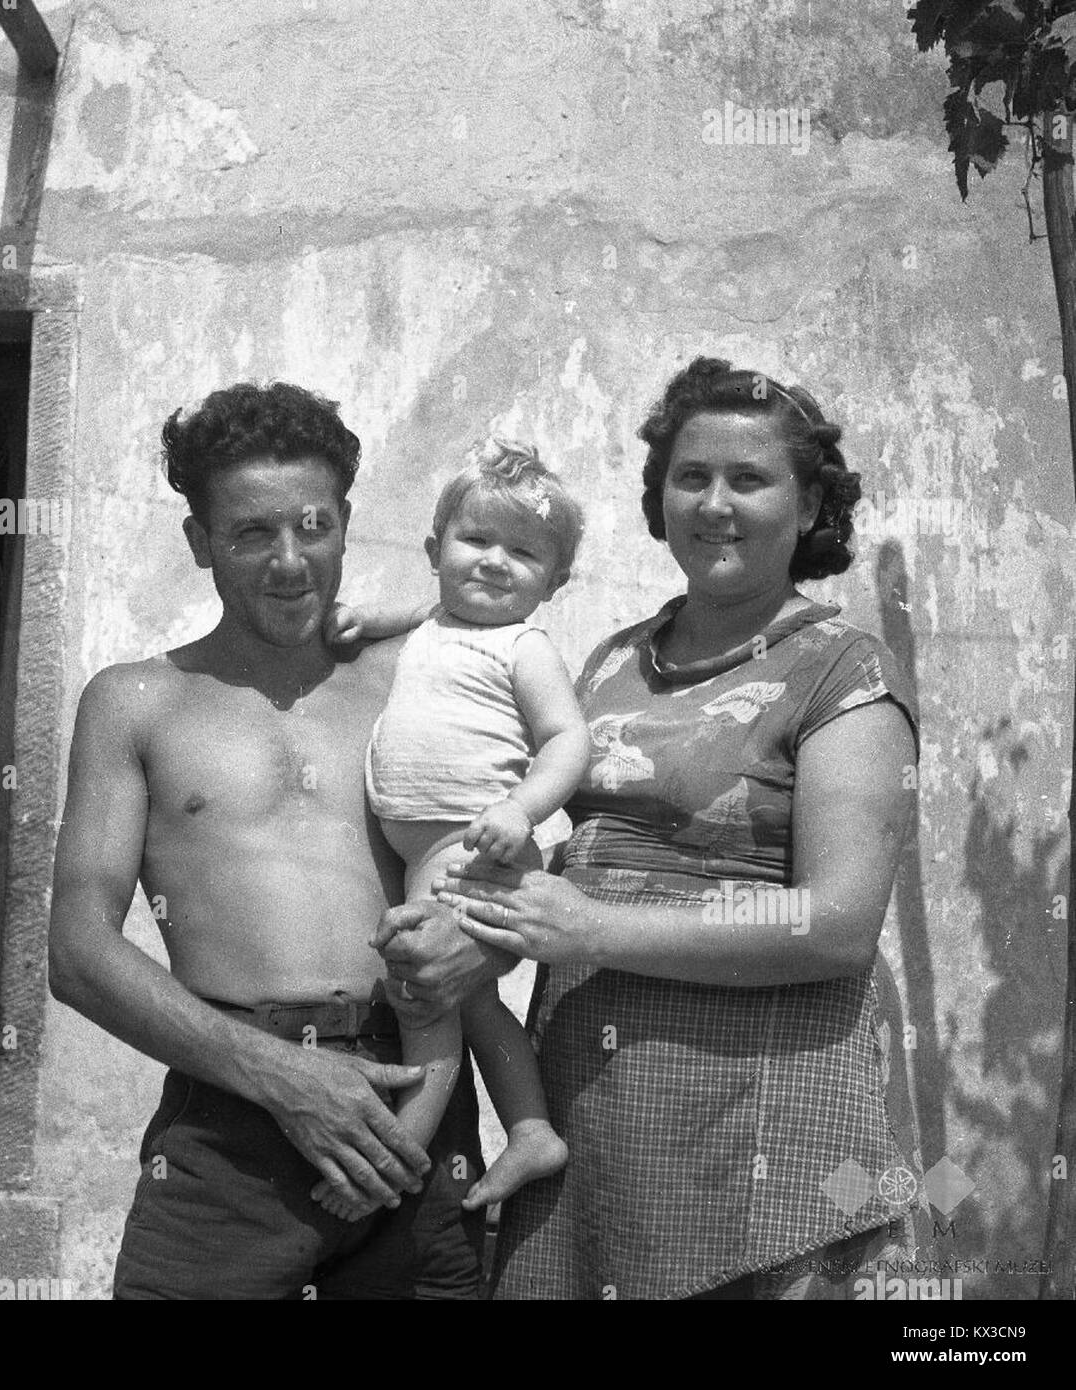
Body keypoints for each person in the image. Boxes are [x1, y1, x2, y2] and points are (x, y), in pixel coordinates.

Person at [376, 356, 926, 1299]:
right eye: (691, 476)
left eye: (749, 479)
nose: (714, 503)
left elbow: (833, 923)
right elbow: (567, 863)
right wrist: (477, 931)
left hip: (758, 1137)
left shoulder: (842, 671)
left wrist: (596, 930)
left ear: (807, 506)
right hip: (597, 1132)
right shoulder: (611, 663)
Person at [48, 381, 486, 1300]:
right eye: (252, 534)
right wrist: (281, 1076)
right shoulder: (137, 702)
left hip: (415, 1099)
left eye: (313, 526)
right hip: (231, 1125)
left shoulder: (416, 678)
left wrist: (477, 940)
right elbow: (79, 953)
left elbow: (517, 852)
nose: (290, 562)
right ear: (200, 541)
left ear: (345, 524)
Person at [323, 440, 587, 1220]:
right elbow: (407, 613)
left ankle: (402, 1147)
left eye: (524, 553)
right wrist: (362, 618)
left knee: (422, 991)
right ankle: (531, 1129)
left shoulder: (523, 647)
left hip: (473, 843)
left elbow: (567, 738)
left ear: (556, 581)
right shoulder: (433, 621)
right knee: (471, 1001)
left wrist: (521, 810)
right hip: (425, 846)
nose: (496, 562)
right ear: (435, 552)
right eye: (477, 540)